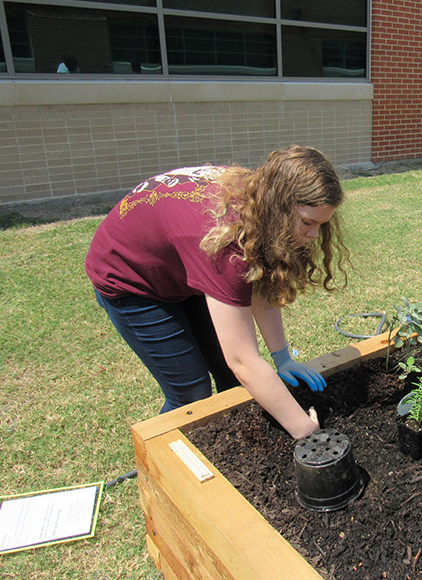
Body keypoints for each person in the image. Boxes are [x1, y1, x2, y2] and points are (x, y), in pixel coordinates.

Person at [85, 145, 348, 439]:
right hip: (131, 279)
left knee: (230, 380)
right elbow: (243, 361)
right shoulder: (225, 241)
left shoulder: (262, 196)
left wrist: (282, 357)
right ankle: (163, 465)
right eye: (308, 222)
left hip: (183, 264)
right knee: (191, 394)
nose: (314, 235)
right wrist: (304, 429)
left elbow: (258, 285)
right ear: (279, 206)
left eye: (321, 224)